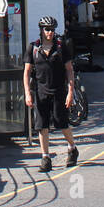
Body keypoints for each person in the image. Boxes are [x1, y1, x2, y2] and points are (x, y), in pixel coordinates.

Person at [23, 15, 78, 173]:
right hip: (41, 91)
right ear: (41, 30)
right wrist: (28, 93)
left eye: (52, 30)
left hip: (58, 91)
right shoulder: (33, 48)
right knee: (42, 126)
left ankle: (72, 148)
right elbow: (26, 72)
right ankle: (45, 157)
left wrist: (70, 92)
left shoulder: (61, 48)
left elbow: (69, 70)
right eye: (47, 29)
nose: (50, 33)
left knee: (62, 123)